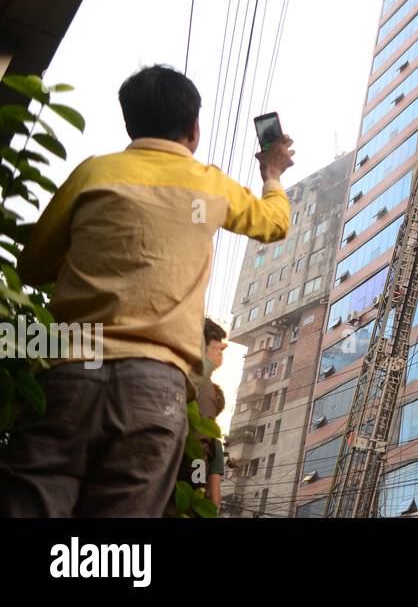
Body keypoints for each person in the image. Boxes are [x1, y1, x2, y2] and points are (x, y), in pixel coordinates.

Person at [0, 65, 293, 517]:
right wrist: (271, 173)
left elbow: (33, 266)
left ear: (129, 123)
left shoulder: (93, 173)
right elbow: (275, 224)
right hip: (154, 388)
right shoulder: (210, 184)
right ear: (194, 130)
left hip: (67, 373)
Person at [193, 318, 229, 506]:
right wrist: (194, 488)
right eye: (217, 347)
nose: (221, 353)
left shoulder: (200, 382)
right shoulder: (200, 384)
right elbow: (199, 444)